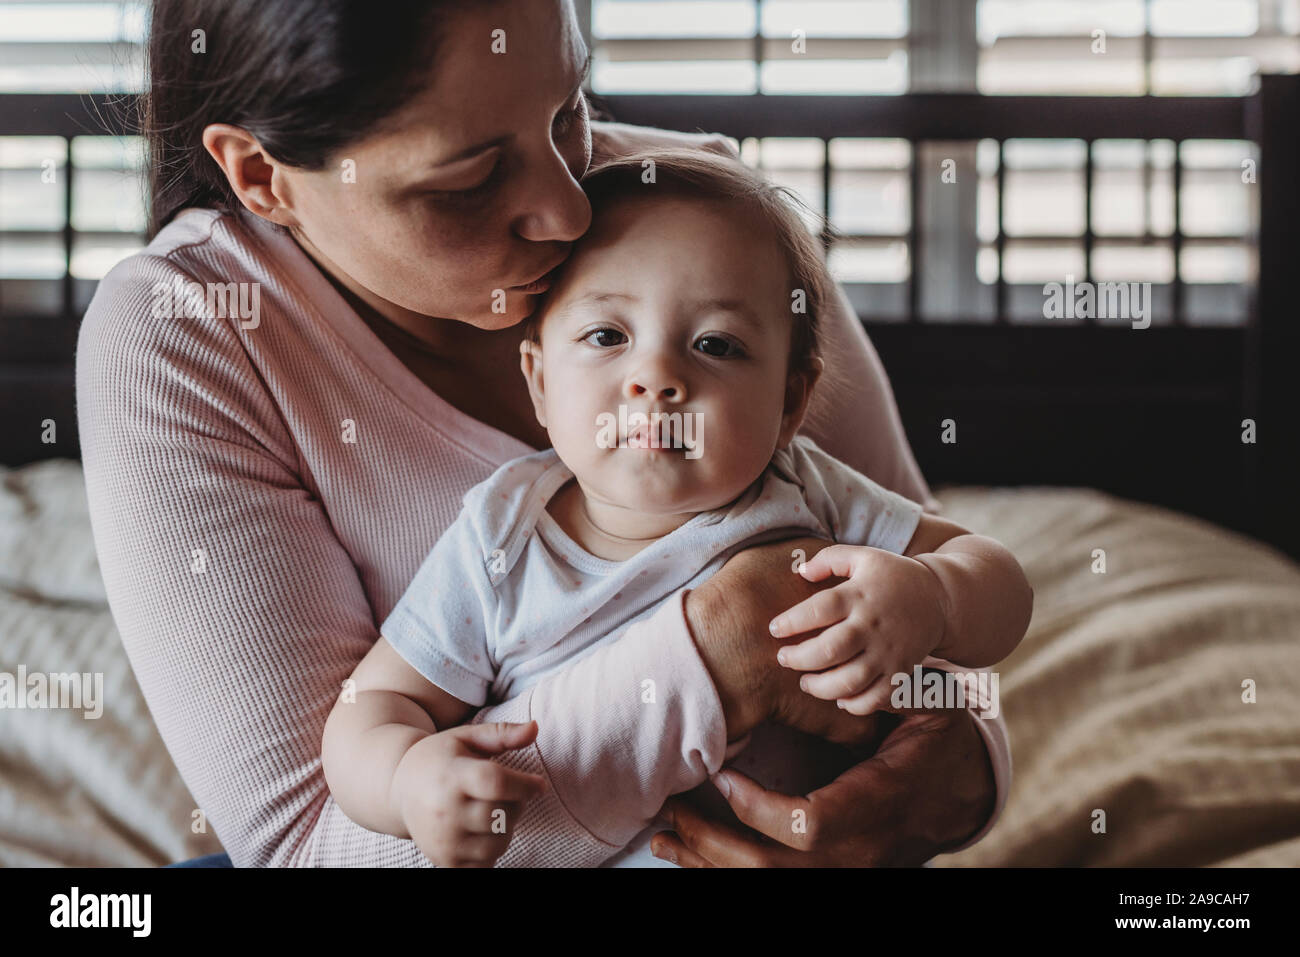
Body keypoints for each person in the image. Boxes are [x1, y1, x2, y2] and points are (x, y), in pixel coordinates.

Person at [78, 0, 1010, 867]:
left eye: (569, 111)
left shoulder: (721, 226)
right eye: (474, 176)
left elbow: (938, 606)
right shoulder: (187, 336)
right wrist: (722, 650)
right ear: (260, 174)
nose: (570, 208)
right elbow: (313, 844)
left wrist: (955, 773)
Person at [323, 149, 1032, 867]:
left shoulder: (807, 490)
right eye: (608, 337)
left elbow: (997, 577)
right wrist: (408, 781)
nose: (656, 377)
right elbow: (372, 712)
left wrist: (936, 598)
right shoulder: (501, 538)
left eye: (715, 344)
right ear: (540, 381)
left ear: (789, 402)